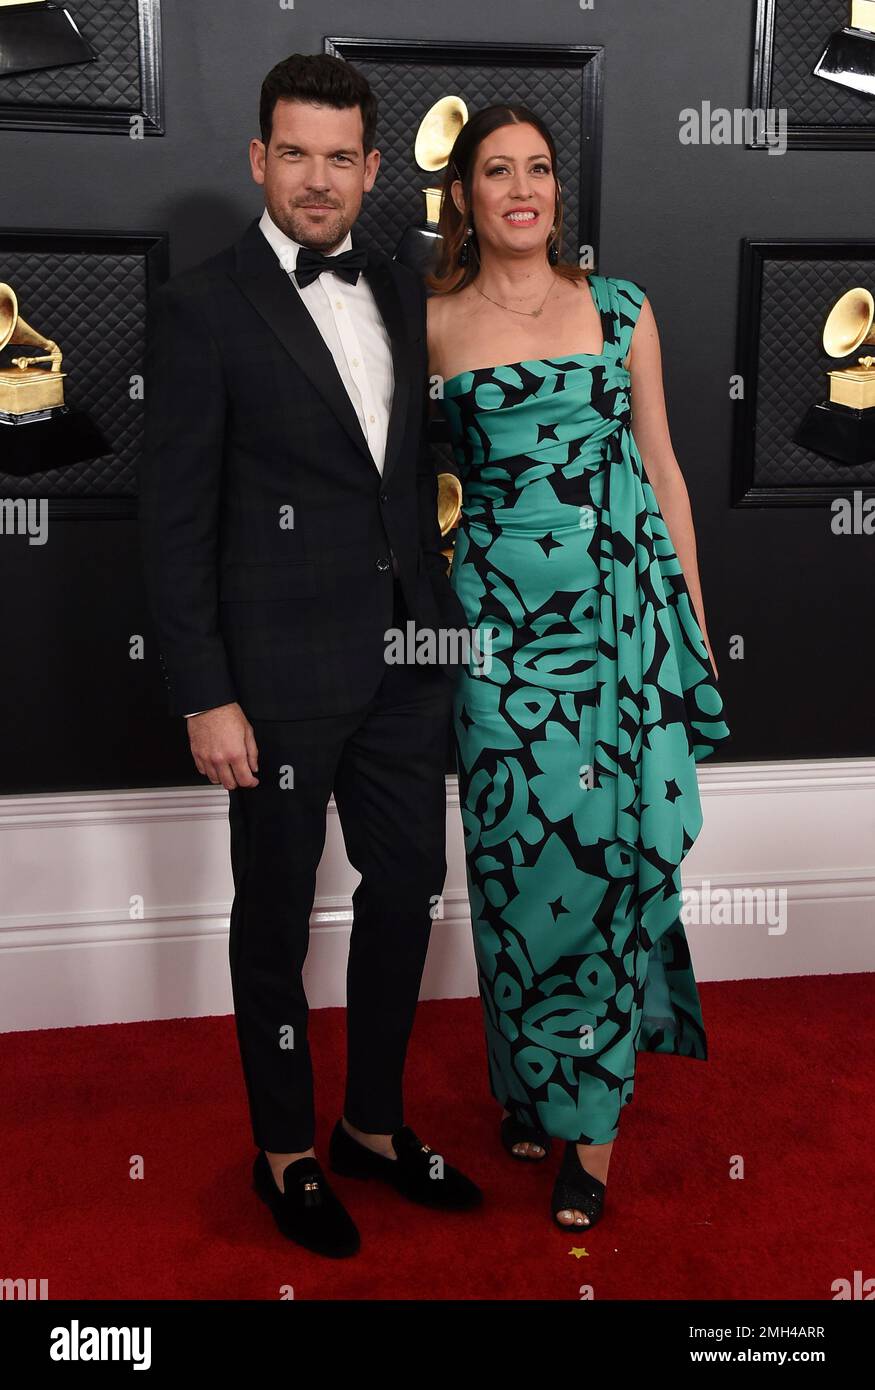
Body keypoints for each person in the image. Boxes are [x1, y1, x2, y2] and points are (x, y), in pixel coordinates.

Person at [138, 52, 482, 1260]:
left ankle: (371, 1125)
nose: (319, 178)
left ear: (374, 167)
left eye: (342, 157)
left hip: (406, 663)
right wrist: (206, 693)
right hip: (272, 683)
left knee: (407, 893)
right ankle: (283, 1147)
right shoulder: (200, 307)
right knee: (274, 920)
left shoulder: (395, 284)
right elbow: (174, 520)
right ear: (257, 158)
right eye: (296, 153)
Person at [425, 104, 731, 1232]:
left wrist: (691, 624)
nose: (520, 188)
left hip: (617, 625)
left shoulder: (621, 308)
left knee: (604, 863)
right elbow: (402, 494)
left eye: (538, 169)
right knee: (513, 871)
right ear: (460, 195)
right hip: (494, 637)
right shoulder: (432, 325)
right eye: (495, 170)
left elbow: (662, 470)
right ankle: (523, 1080)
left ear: (558, 190)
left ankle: (589, 1132)